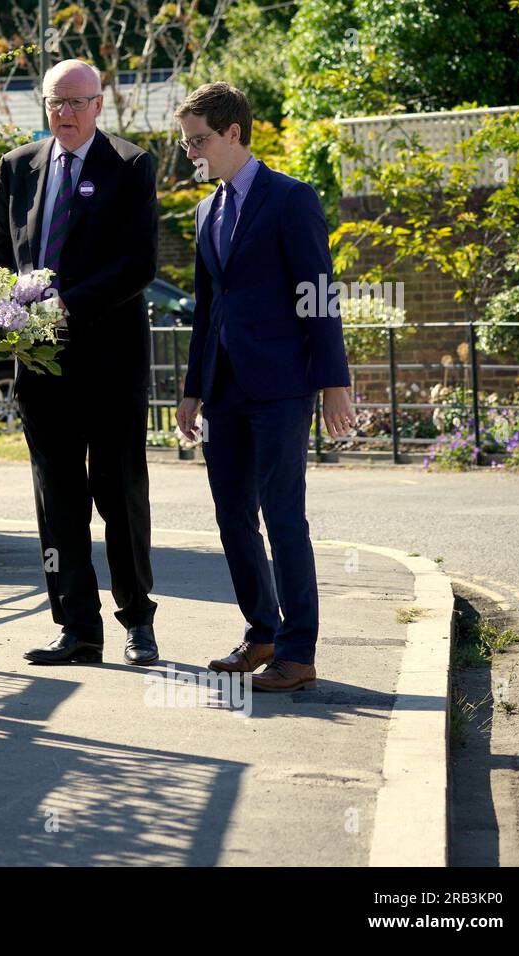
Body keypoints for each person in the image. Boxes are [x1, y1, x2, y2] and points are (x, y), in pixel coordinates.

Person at [0, 59, 160, 666]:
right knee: (58, 498)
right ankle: (77, 627)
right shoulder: (19, 166)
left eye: (77, 102)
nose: (65, 114)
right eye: (55, 103)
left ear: (100, 105)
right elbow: (0, 242)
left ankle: (137, 623)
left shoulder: (130, 165)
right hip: (39, 366)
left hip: (109, 363)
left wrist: (61, 305)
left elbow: (138, 264)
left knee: (118, 494)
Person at [173, 82, 355, 691]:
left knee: (284, 517)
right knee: (231, 518)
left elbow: (319, 294)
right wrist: (192, 388)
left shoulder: (290, 198)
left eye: (198, 141)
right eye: (185, 142)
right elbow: (207, 308)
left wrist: (333, 382)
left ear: (233, 133)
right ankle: (262, 633)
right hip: (224, 389)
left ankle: (299, 653)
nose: (191, 153)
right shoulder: (206, 210)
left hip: (281, 387)